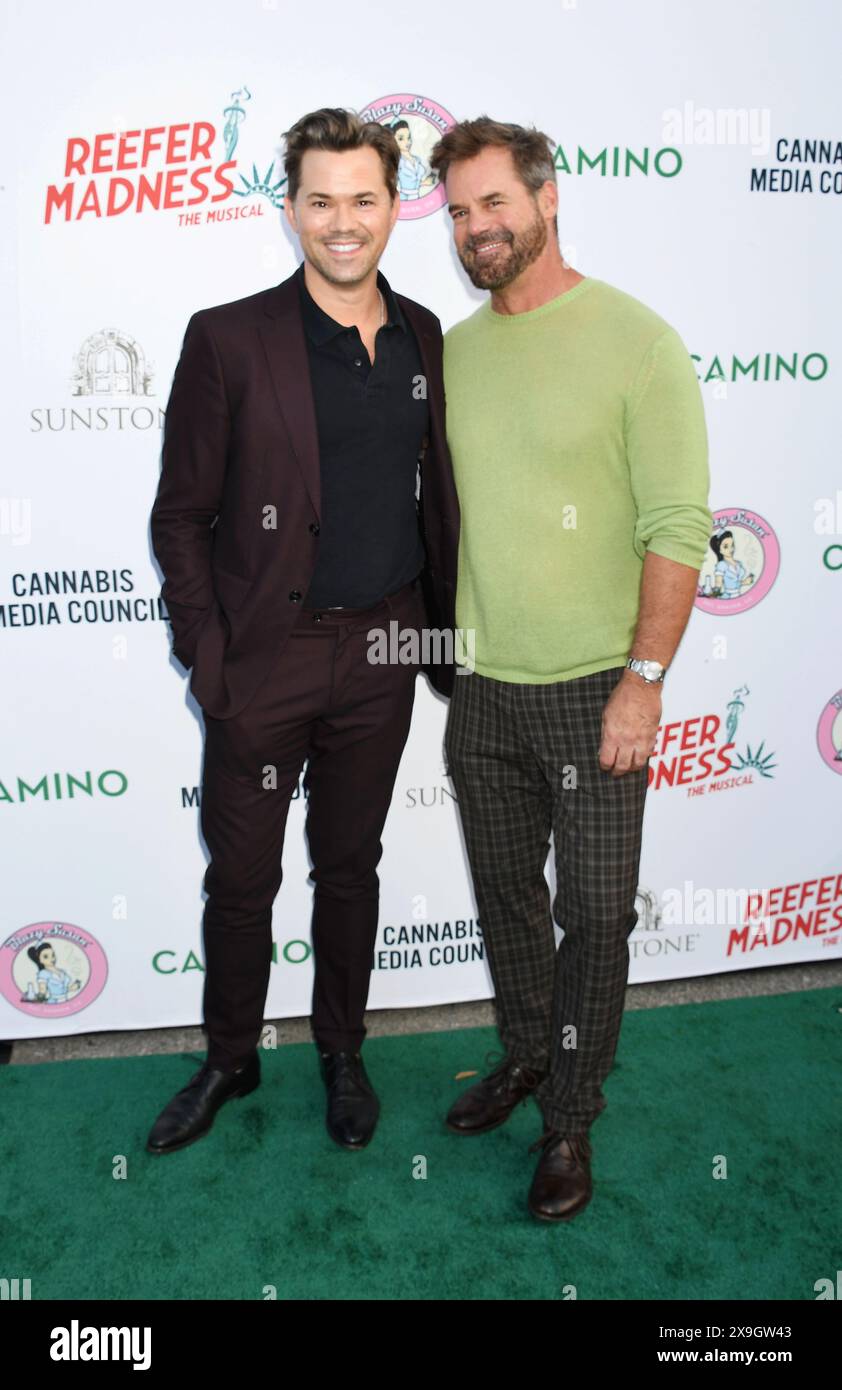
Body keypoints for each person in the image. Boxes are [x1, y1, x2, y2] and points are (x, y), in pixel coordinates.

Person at [148, 107, 459, 1157]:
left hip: (384, 651)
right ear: (291, 209)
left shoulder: (423, 333)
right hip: (263, 662)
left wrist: (438, 638)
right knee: (241, 878)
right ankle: (231, 1056)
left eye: (362, 198)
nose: (341, 220)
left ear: (389, 207)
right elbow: (180, 515)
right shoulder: (227, 338)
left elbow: (437, 499)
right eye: (319, 199)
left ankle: (340, 1050)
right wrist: (209, 653)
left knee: (350, 866)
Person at [428, 116, 712, 1221]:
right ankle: (524, 1053)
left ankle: (570, 1117)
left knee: (593, 917)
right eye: (455, 211)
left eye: (491, 202)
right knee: (505, 897)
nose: (473, 228)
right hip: (482, 688)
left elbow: (678, 526)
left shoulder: (637, 340)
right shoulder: (450, 353)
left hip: (598, 687)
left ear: (547, 198)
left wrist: (643, 677)